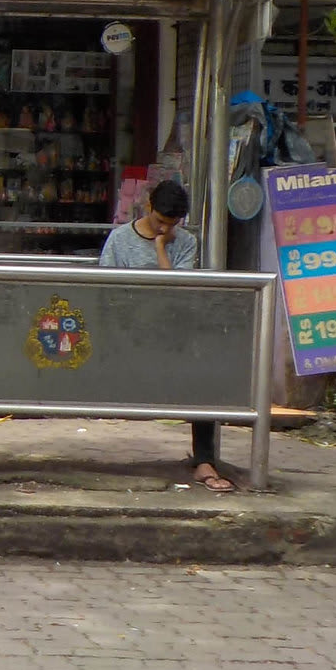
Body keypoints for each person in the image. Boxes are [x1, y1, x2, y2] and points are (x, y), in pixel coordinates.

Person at [98, 179, 231, 492]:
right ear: (148, 207)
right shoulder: (120, 239)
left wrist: (160, 247)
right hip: (130, 331)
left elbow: (176, 293)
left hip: (171, 332)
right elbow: (105, 292)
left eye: (171, 224)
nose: (164, 229)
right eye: (160, 221)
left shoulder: (184, 242)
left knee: (204, 369)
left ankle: (204, 458)